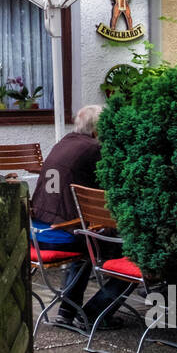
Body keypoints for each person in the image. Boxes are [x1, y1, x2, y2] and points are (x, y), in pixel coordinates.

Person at [30, 104, 127, 331]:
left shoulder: (64, 142)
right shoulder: (94, 149)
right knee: (131, 252)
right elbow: (114, 183)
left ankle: (67, 311)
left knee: (87, 239)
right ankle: (95, 313)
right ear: (97, 130)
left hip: (37, 232)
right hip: (59, 235)